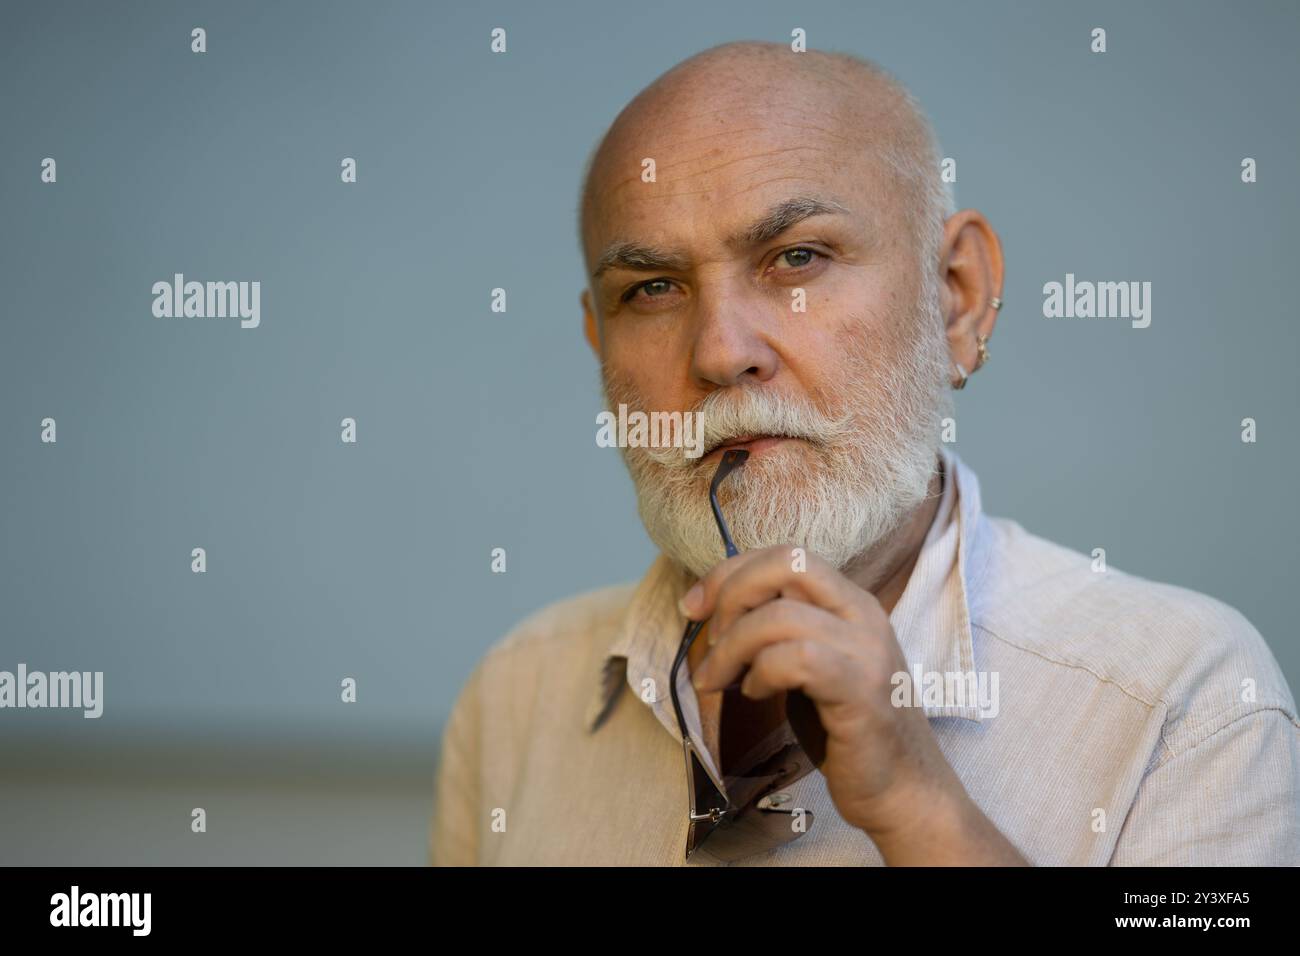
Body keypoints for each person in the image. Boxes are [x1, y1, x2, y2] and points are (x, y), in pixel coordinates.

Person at [429, 40, 1299, 866]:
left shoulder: (1188, 701)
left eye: (797, 257)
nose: (720, 352)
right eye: (652, 289)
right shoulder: (517, 695)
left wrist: (918, 809)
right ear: (597, 342)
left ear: (957, 298)